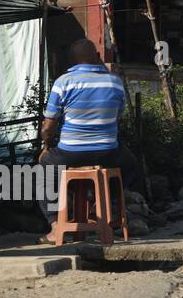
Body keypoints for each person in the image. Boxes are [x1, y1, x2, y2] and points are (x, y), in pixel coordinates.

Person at [38, 38, 140, 224]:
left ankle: (54, 223)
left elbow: (48, 127)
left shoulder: (63, 83)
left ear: (72, 61)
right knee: (131, 164)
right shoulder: (115, 83)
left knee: (44, 170)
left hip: (70, 153)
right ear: (98, 56)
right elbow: (118, 118)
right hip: (108, 153)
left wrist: (46, 146)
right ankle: (100, 203)